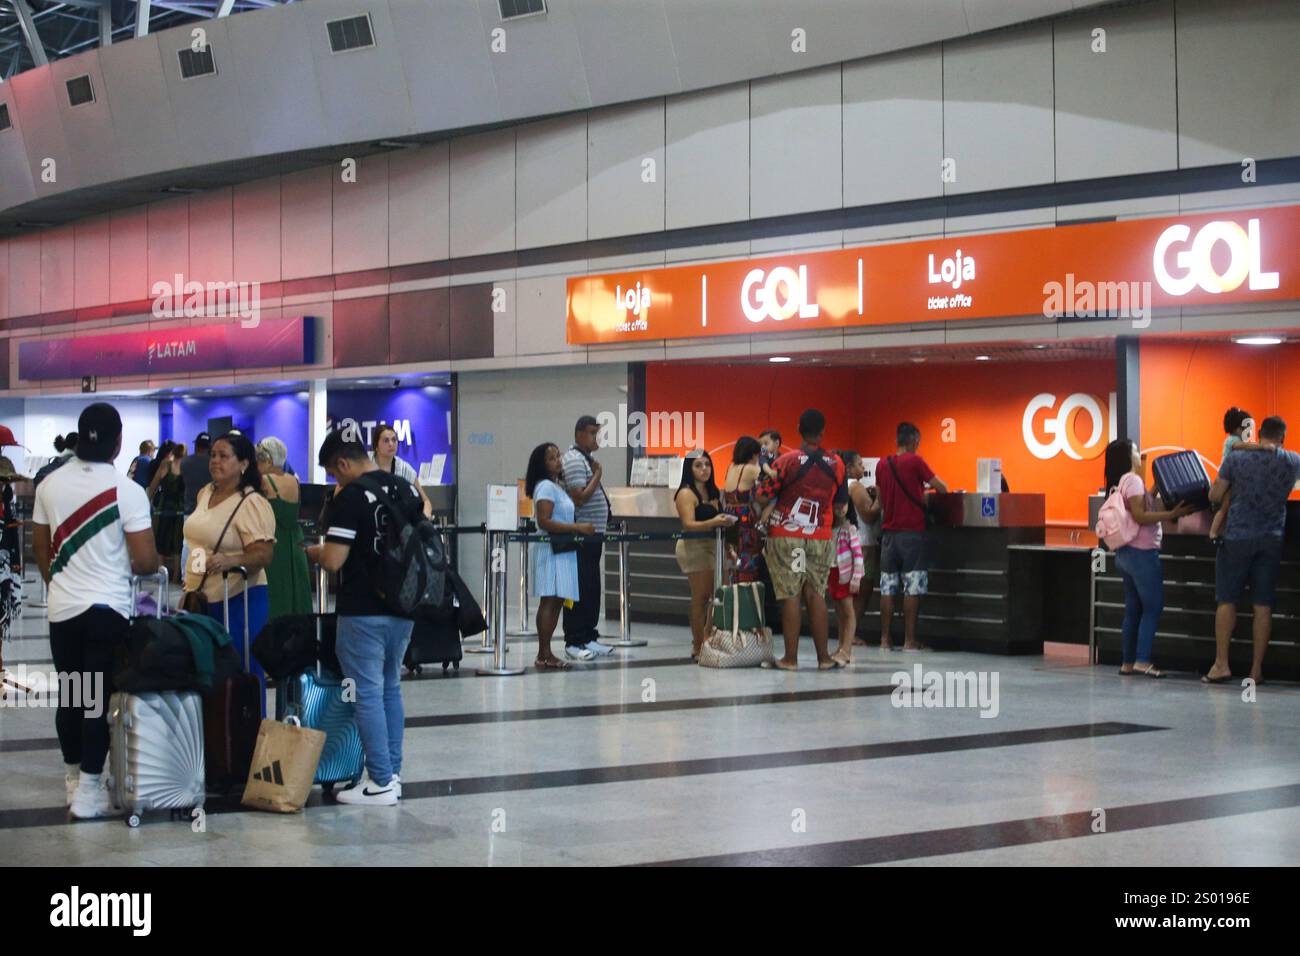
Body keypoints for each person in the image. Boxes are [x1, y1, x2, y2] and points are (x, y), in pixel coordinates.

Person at [31, 404, 161, 819]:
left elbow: (39, 548)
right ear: (118, 442)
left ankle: (73, 778)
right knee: (96, 699)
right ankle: (89, 787)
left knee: (73, 695)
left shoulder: (49, 486)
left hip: (63, 609)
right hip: (107, 610)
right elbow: (143, 562)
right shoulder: (128, 491)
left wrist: (61, 585)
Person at [306, 430, 424, 805]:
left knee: (367, 691)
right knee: (390, 687)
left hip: (363, 610)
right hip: (403, 608)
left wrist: (311, 553)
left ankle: (380, 779)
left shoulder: (352, 496)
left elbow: (335, 559)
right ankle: (393, 773)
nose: (335, 481)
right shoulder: (405, 490)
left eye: (333, 473)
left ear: (342, 463)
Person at [1203, 416, 1300, 686]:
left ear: (1258, 432)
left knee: (1227, 600)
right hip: (1272, 538)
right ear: (1283, 436)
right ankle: (1256, 670)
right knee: (1263, 605)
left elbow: (1214, 495)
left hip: (1237, 536)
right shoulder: (1292, 460)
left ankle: (1221, 664)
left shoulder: (1236, 459)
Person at [181, 432, 276, 703]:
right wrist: (189, 586)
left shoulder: (251, 502)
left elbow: (263, 554)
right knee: (206, 672)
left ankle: (245, 732)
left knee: (240, 669)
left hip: (238, 598)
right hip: (201, 595)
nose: (215, 461)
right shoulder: (205, 493)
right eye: (213, 455)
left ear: (244, 463)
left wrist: (231, 560)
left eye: (224, 456)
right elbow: (198, 543)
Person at [754, 409, 848, 671]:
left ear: (798, 428)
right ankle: (824, 658)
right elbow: (841, 505)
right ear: (823, 431)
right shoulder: (838, 464)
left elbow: (762, 496)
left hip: (787, 535)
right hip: (821, 535)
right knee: (816, 593)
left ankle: (791, 658)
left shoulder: (787, 461)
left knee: (791, 594)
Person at [1101, 439, 1193, 678]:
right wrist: (1173, 514)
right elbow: (1141, 516)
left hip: (1125, 554)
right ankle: (1143, 660)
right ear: (1126, 456)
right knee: (1153, 607)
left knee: (1133, 609)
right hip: (1141, 552)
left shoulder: (1122, 481)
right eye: (1134, 450)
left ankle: (1127, 662)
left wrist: (1154, 488)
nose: (1138, 453)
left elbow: (1140, 505)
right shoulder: (1132, 479)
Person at [876, 422, 948, 652]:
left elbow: (880, 498)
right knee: (912, 587)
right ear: (913, 441)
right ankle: (909, 641)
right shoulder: (916, 461)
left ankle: (885, 640)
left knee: (888, 587)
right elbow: (943, 488)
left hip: (888, 535)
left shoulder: (882, 464)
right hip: (912, 535)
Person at [525, 443, 592, 670]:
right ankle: (544, 652)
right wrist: (577, 528)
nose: (558, 460)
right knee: (550, 600)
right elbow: (544, 521)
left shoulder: (556, 486)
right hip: (551, 549)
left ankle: (546, 652)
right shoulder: (544, 487)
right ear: (542, 465)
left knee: (557, 601)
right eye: (552, 458)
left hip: (562, 549)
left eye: (558, 456)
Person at [674, 450, 737, 659]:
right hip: (694, 546)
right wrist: (714, 522)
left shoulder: (713, 492)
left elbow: (719, 523)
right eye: (698, 465)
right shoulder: (685, 493)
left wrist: (729, 546)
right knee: (700, 596)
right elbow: (688, 524)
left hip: (715, 545)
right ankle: (698, 644)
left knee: (720, 593)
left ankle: (709, 636)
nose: (704, 470)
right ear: (689, 469)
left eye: (707, 465)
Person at [561, 415, 614, 659]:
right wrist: (598, 475)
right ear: (580, 434)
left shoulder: (588, 460)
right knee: (579, 588)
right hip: (580, 536)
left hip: (594, 536)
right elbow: (579, 497)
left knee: (592, 587)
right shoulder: (573, 460)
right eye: (593, 432)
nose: (597, 437)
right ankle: (574, 640)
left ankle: (589, 636)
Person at [257, 437, 312, 622]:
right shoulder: (293, 480)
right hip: (296, 541)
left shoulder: (263, 481)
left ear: (268, 460)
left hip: (275, 542)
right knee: (297, 594)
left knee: (277, 595)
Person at [829, 452, 866, 667]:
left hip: (846, 575)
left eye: (843, 505)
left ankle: (847, 648)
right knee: (840, 611)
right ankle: (842, 646)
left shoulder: (849, 529)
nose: (839, 509)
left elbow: (858, 555)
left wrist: (856, 577)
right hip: (834, 573)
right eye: (836, 505)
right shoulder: (831, 529)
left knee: (848, 610)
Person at [845, 451, 881, 648]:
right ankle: (852, 632)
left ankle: (848, 632)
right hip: (863, 543)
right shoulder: (856, 486)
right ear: (849, 468)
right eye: (859, 464)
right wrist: (880, 498)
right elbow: (868, 514)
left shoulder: (842, 486)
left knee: (850, 592)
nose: (863, 468)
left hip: (847, 543)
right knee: (863, 589)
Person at [1208, 407, 1257, 540]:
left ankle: (1218, 531)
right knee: (1224, 507)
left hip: (1232, 479)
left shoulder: (1238, 440)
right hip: (1227, 480)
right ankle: (1213, 532)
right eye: (1246, 429)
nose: (1249, 432)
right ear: (1237, 429)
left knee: (1227, 506)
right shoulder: (1232, 440)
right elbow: (1241, 447)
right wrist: (1261, 446)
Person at [721, 437, 765, 583]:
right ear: (753, 454)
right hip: (745, 521)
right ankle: (746, 595)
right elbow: (769, 484)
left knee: (733, 559)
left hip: (729, 517)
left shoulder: (731, 467)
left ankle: (733, 594)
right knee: (748, 560)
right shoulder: (752, 469)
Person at [371, 424, 432, 517]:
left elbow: (426, 501)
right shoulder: (364, 465)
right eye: (386, 440)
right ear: (376, 446)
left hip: (398, 524)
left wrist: (424, 520)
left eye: (394, 440)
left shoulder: (404, 468)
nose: (391, 444)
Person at [146, 441, 186, 583]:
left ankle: (161, 573)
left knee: (161, 540)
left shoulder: (165, 465)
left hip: (164, 508)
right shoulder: (186, 466)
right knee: (177, 542)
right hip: (180, 508)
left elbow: (154, 485)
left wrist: (147, 502)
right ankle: (176, 575)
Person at [178, 432, 212, 582]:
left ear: (196, 445)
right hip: (207, 509)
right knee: (203, 545)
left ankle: (186, 577)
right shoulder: (213, 464)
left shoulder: (185, 462)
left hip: (189, 509)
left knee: (187, 543)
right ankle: (198, 577)